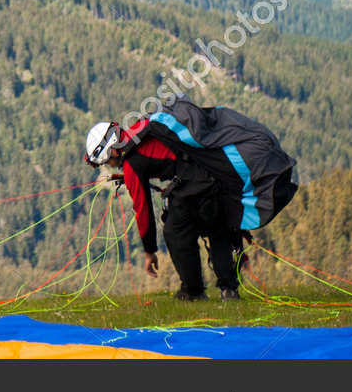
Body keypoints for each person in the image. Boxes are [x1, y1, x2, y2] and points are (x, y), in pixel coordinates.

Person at [84, 97, 297, 302]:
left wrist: (149, 251)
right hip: (211, 173)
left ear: (112, 150)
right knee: (217, 225)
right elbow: (159, 155)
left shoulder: (131, 165)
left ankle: (193, 291)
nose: (110, 165)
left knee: (176, 231)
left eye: (107, 161)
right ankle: (229, 289)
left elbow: (143, 211)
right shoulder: (141, 127)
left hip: (193, 183)